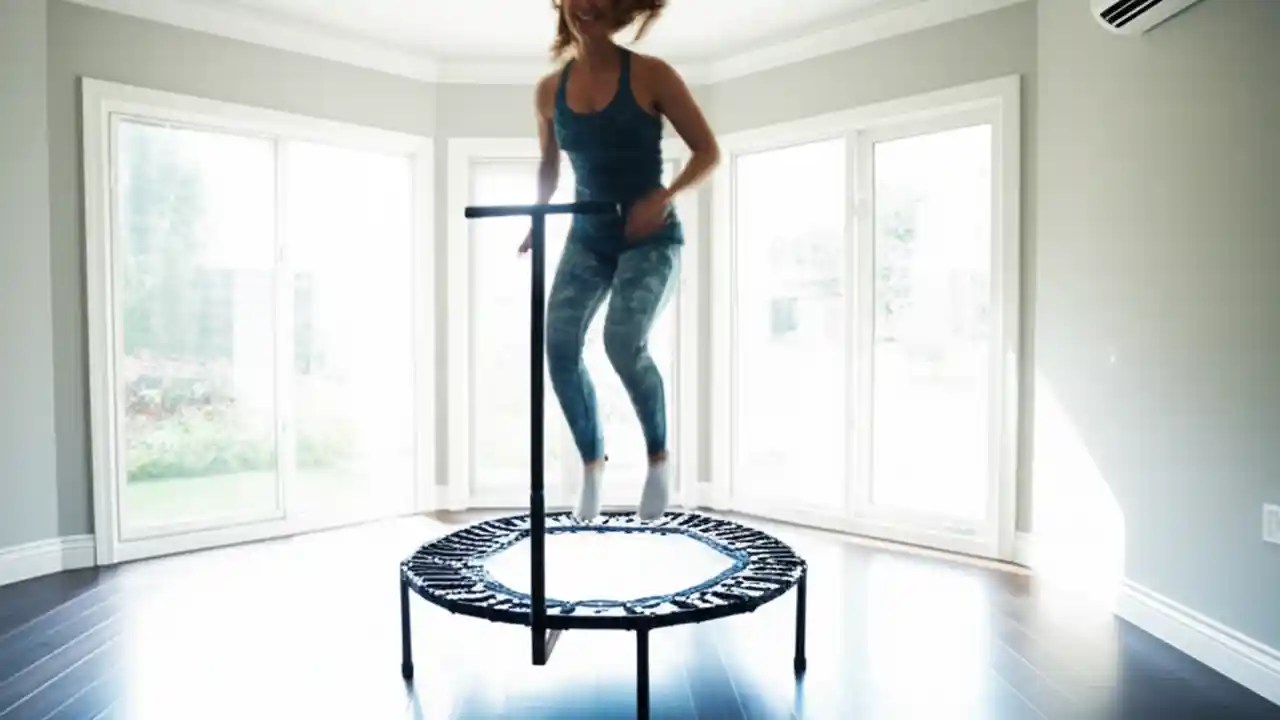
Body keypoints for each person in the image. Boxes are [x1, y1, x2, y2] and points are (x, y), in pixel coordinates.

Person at [521, 0, 719, 522]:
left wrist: (666, 195)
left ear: (616, 9)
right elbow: (548, 165)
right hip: (587, 237)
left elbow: (707, 151)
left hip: (650, 238)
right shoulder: (548, 91)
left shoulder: (652, 75)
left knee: (622, 341)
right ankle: (591, 465)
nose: (587, 6)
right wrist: (537, 217)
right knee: (559, 346)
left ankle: (658, 459)